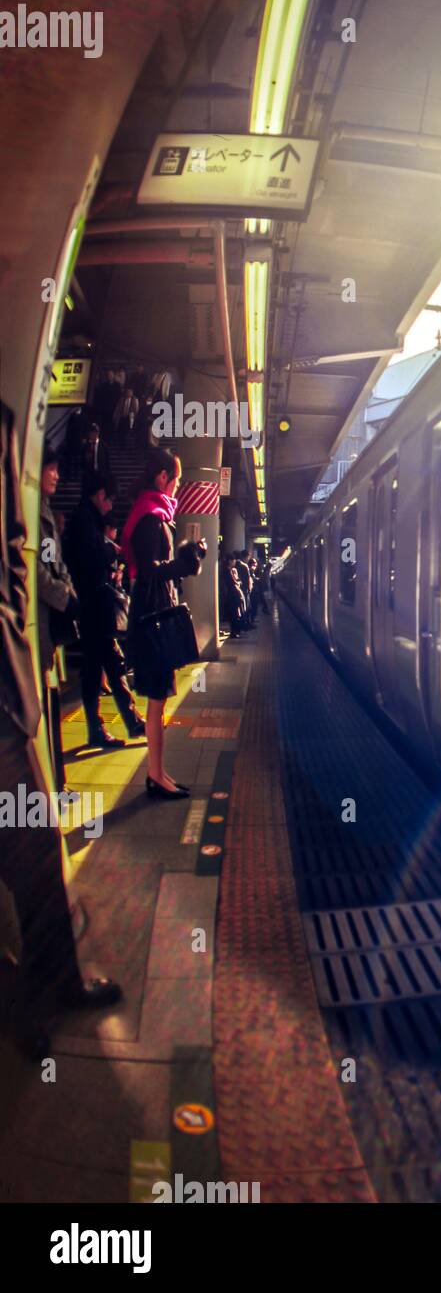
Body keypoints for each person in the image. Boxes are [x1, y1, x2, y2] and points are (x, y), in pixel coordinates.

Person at [0, 409, 121, 1060]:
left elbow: (14, 554)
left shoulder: (4, 424)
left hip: (4, 700)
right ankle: (29, 1003)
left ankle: (52, 987)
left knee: (39, 852)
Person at [120, 448, 206, 799]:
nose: (178, 484)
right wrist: (185, 563)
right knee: (156, 699)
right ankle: (155, 776)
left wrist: (185, 557)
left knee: (158, 700)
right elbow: (151, 570)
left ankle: (158, 772)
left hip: (153, 609)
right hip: (152, 614)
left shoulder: (152, 514)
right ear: (162, 477)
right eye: (177, 477)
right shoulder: (151, 517)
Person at [62, 471, 145, 748]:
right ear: (99, 495)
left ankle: (129, 722)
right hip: (91, 608)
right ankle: (102, 729)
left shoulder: (87, 519)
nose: (110, 506)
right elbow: (89, 559)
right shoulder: (84, 521)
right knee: (96, 667)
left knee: (109, 664)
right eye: (109, 500)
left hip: (94, 608)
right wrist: (111, 552)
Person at [37, 447, 78, 790]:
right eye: (51, 469)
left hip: (49, 619)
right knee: (41, 703)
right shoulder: (29, 510)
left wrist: (65, 587)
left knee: (50, 700)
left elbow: (53, 561)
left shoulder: (45, 511)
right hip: (37, 622)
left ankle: (55, 783)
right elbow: (36, 571)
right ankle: (49, 786)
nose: (57, 475)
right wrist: (64, 594)